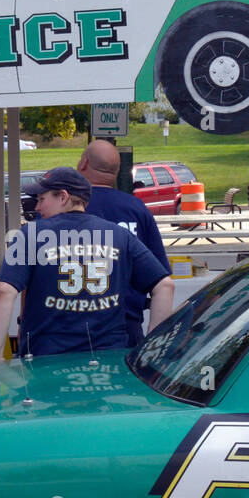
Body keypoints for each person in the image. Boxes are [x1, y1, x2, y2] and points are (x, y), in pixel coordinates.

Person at [0, 167, 173, 360]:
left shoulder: (31, 234)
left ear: (63, 197)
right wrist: (152, 346)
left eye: (42, 199)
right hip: (109, 360)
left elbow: (4, 291)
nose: (37, 207)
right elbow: (165, 285)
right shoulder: (119, 235)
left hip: (46, 359)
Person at [77, 138, 168, 347]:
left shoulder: (66, 208)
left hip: (70, 327)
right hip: (126, 325)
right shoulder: (137, 209)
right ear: (117, 172)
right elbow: (162, 279)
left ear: (83, 164)